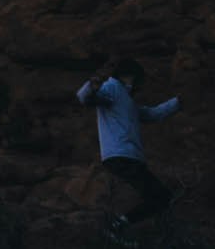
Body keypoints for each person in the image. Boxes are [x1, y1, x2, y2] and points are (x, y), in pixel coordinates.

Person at [76, 64, 178, 221]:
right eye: (139, 80)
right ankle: (120, 226)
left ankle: (124, 227)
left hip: (129, 157)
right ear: (130, 76)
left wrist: (177, 102)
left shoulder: (127, 101)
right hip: (121, 156)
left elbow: (153, 114)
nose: (140, 85)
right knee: (160, 196)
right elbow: (84, 98)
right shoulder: (113, 87)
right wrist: (91, 85)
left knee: (161, 197)